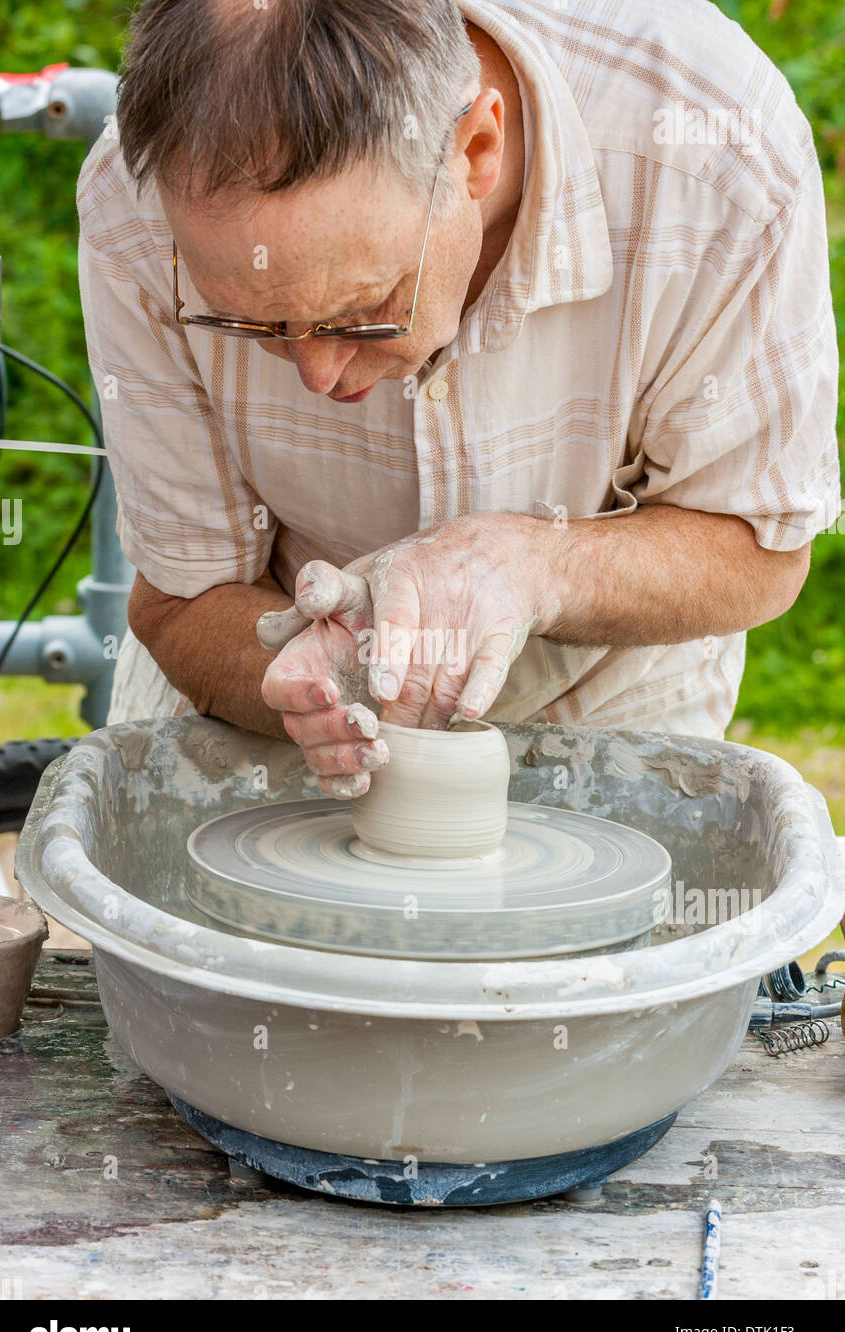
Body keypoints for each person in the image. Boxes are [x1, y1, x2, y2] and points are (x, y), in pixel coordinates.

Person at [78, 0, 838, 798]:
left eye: (362, 310)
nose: (318, 374)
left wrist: (535, 568)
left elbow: (759, 546)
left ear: (476, 149)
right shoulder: (141, 199)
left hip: (609, 717)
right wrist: (311, 680)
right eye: (250, 322)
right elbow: (181, 602)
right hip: (263, 740)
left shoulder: (715, 145)